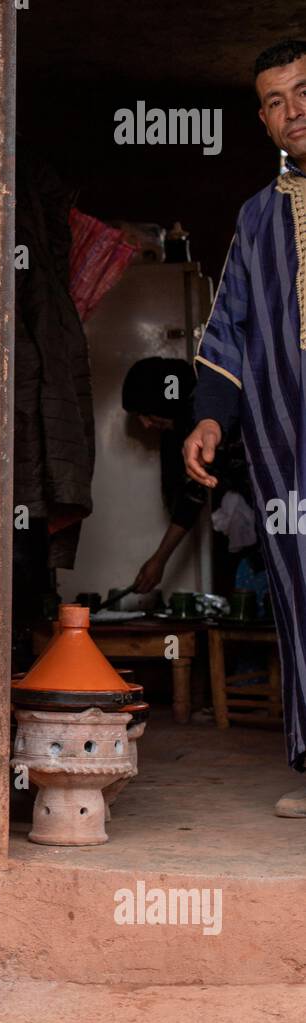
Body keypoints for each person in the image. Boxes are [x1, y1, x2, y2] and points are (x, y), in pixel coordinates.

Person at [184, 38, 306, 816]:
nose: (294, 112)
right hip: (289, 439)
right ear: (261, 120)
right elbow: (226, 326)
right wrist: (207, 419)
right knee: (300, 591)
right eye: (275, 101)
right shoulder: (257, 219)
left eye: (305, 91)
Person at [121, 357, 257, 594]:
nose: (144, 425)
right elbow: (192, 496)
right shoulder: (184, 432)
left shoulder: (214, 417)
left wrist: (159, 560)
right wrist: (159, 560)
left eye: (146, 413)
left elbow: (192, 499)